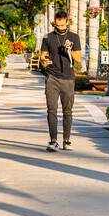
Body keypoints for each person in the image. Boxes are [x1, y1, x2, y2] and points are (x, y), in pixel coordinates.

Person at [39, 10, 82, 152]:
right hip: (52, 78)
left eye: (63, 25)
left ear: (67, 22)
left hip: (68, 79)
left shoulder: (74, 37)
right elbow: (42, 58)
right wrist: (44, 62)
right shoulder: (47, 37)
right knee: (51, 110)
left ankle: (67, 140)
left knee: (67, 111)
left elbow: (79, 60)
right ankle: (53, 141)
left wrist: (69, 51)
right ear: (54, 23)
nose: (61, 28)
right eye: (58, 25)